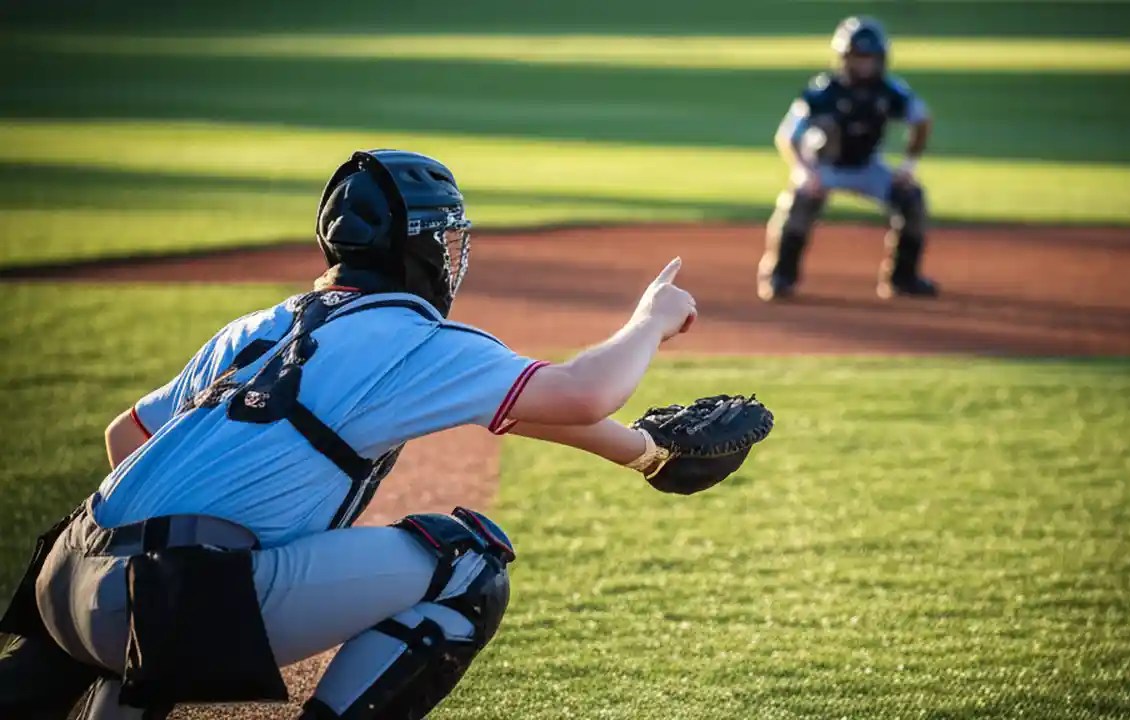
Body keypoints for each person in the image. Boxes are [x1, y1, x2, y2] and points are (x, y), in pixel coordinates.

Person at [0, 149, 698, 719]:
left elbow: (127, 436)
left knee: (171, 576)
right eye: (447, 239)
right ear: (421, 247)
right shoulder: (409, 335)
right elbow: (583, 393)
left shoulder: (260, 327)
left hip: (67, 574)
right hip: (150, 603)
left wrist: (645, 451)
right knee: (468, 565)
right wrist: (652, 318)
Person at [758, 16, 938, 302]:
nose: (864, 64)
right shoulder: (821, 92)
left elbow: (922, 119)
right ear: (843, 57)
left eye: (870, 57)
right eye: (858, 57)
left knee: (912, 197)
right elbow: (787, 135)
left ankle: (902, 279)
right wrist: (803, 171)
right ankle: (780, 276)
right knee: (798, 202)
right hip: (824, 166)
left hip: (867, 166)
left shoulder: (890, 90)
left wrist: (908, 165)